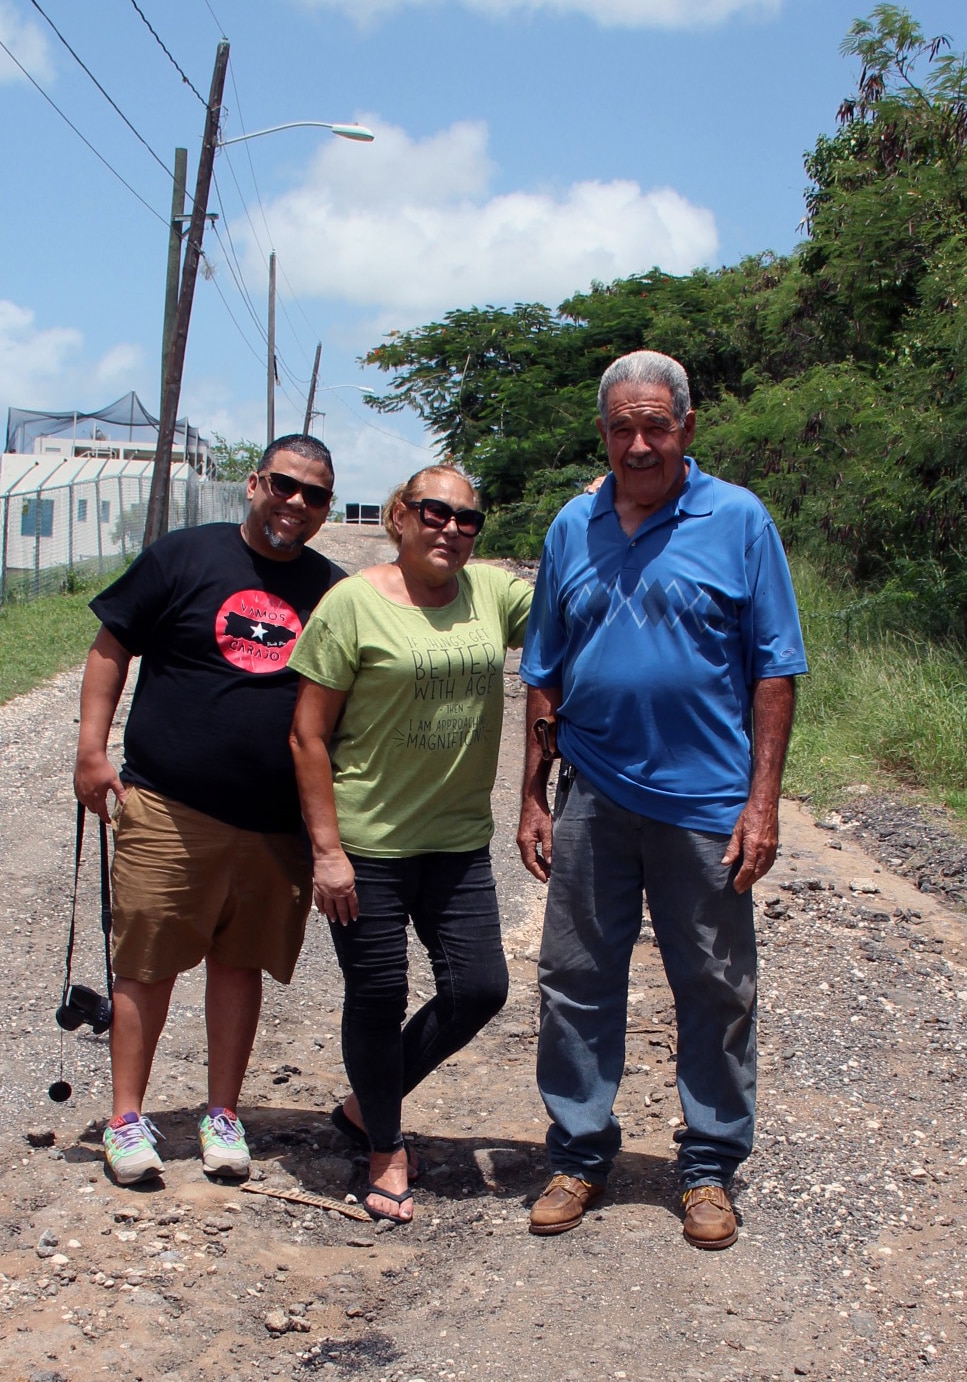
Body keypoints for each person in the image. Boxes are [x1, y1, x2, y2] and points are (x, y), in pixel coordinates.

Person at [516, 350, 807, 1249]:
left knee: (716, 986)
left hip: (705, 802)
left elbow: (775, 670)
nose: (639, 443)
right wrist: (531, 796)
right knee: (575, 980)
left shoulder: (739, 519)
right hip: (593, 792)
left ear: (686, 427)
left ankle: (710, 1167)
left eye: (656, 425)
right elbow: (542, 674)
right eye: (621, 427)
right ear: (603, 433)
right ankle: (580, 1152)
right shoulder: (573, 524)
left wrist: (762, 805)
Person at [73, 434, 344, 1186]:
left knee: (240, 964)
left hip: (274, 822)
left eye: (315, 494)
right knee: (146, 964)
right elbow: (111, 646)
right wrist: (91, 750)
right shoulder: (183, 556)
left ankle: (222, 1113)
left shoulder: (331, 590)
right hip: (169, 805)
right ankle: (126, 1119)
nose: (296, 504)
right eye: (284, 485)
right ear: (255, 483)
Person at [288, 465, 531, 1223]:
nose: (452, 529)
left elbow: (577, 594)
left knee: (480, 989)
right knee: (378, 994)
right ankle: (385, 1146)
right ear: (400, 515)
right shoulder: (351, 605)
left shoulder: (491, 593)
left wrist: (598, 510)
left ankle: (367, 1102)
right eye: (435, 513)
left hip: (456, 841)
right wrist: (327, 851)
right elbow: (307, 734)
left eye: (468, 520)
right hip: (367, 843)